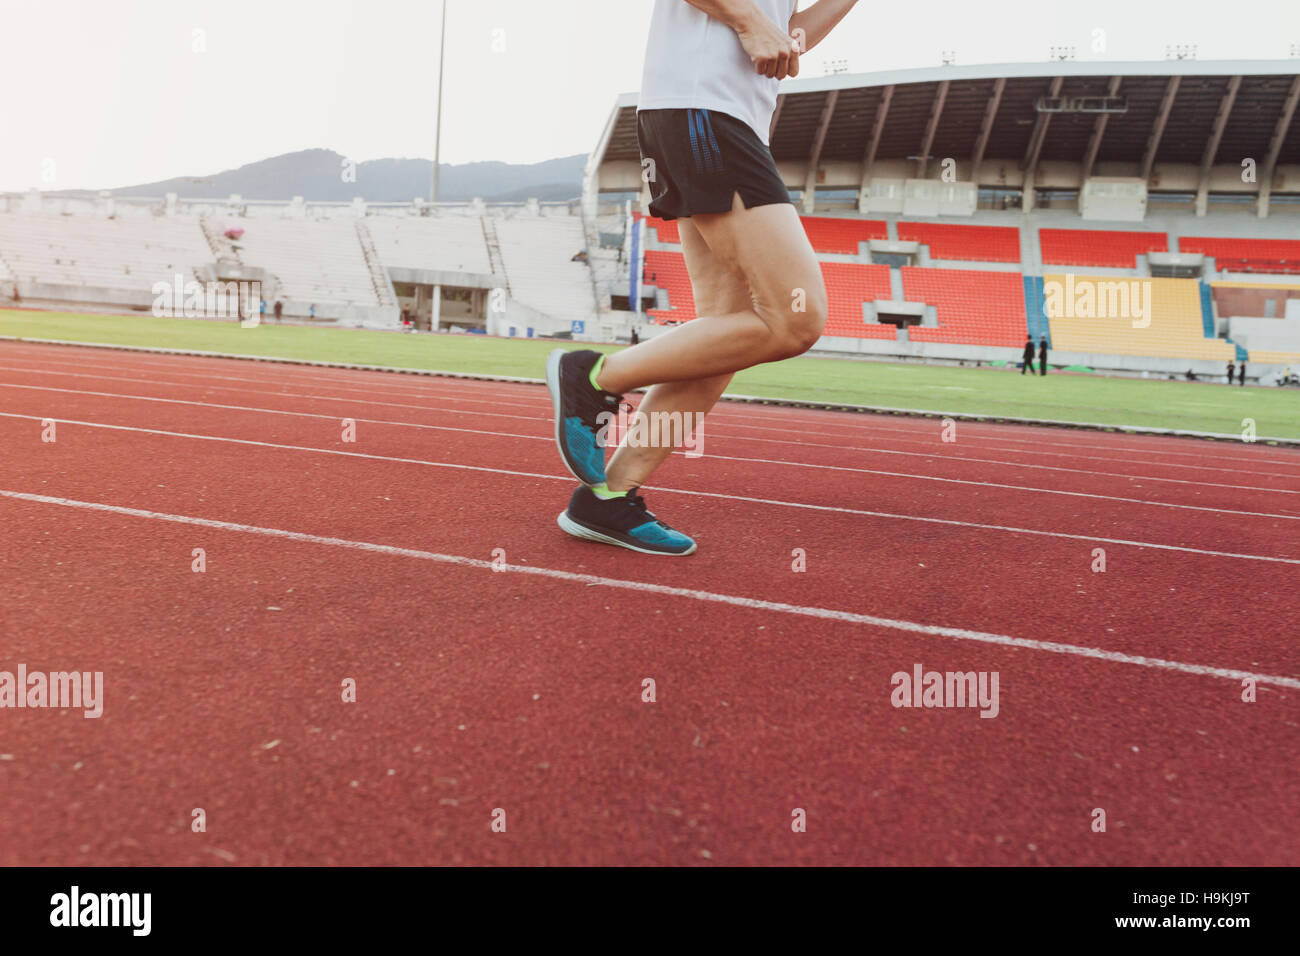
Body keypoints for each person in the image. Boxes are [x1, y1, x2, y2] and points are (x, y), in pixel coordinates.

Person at [546, 0, 859, 555]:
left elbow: (789, 44)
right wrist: (747, 20)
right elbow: (760, 29)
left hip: (716, 118)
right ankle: (596, 376)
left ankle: (609, 501)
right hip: (703, 111)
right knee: (796, 318)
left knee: (723, 339)